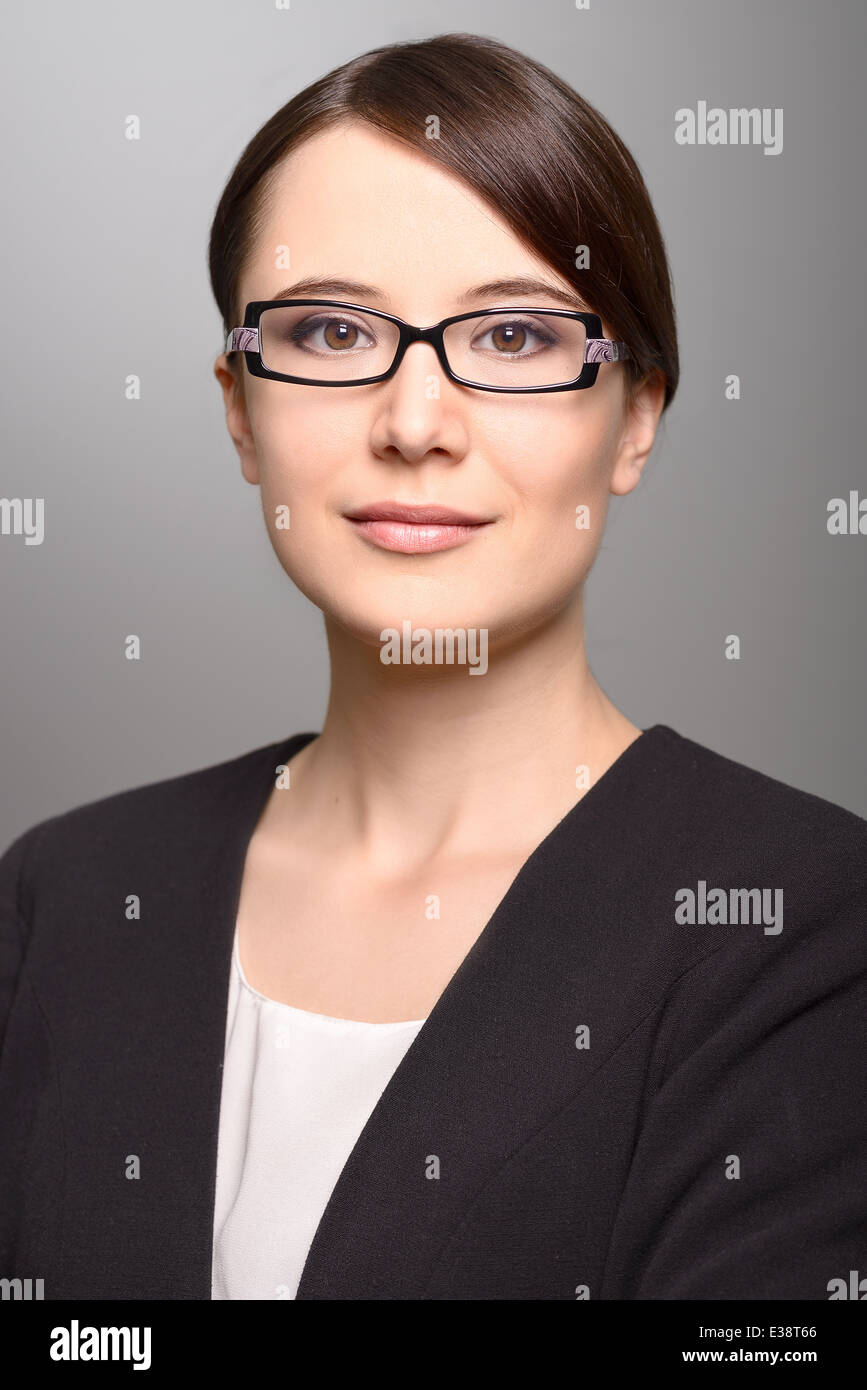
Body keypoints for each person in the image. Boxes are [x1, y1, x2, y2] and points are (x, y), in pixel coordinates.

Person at [1, 33, 865, 1302]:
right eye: (334, 332)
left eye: (514, 335)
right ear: (241, 409)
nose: (415, 423)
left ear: (634, 417)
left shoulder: (804, 923)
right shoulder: (65, 897)